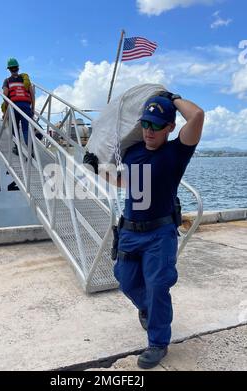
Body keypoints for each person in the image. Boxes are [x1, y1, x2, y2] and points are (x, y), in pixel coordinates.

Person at [84, 91, 204, 370]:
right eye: (146, 124)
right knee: (125, 280)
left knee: (158, 285)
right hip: (129, 231)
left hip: (159, 235)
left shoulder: (176, 153)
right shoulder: (133, 151)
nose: (149, 131)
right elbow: (124, 183)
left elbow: (197, 116)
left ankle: (158, 343)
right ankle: (148, 308)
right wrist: (96, 170)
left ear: (170, 128)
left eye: (156, 126)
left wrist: (172, 98)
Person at [2, 58, 35, 151]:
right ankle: (31, 151)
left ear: (9, 69)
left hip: (14, 107)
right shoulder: (25, 80)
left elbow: (5, 95)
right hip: (26, 106)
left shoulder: (7, 81)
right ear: (18, 68)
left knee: (14, 128)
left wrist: (6, 109)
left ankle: (17, 148)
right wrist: (33, 108)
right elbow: (32, 94)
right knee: (26, 129)